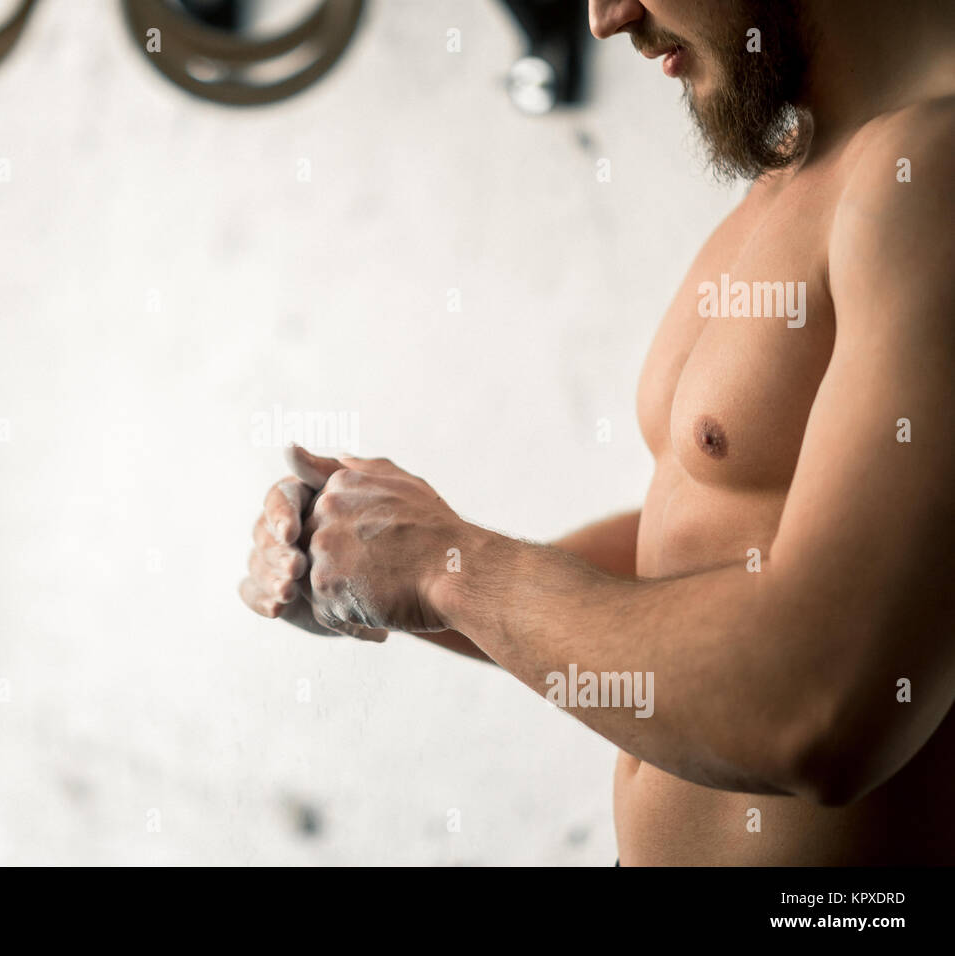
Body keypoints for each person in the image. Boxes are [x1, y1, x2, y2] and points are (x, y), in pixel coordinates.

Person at [239, 0, 955, 865]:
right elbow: (703, 563)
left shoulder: (933, 168)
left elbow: (820, 706)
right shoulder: (795, 170)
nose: (607, 16)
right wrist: (378, 570)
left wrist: (445, 566)